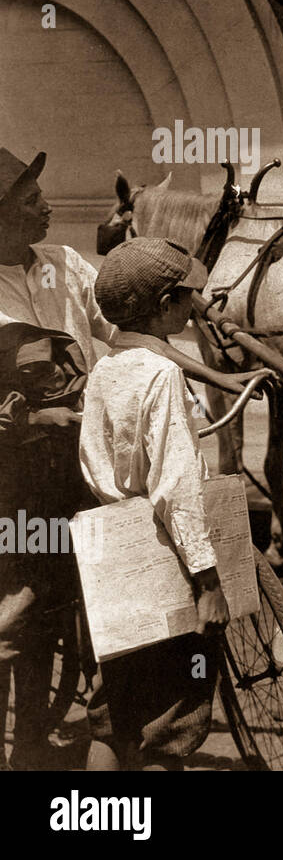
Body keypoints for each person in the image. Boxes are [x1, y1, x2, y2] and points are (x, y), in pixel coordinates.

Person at [78, 238, 230, 771]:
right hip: (165, 561)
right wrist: (208, 584)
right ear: (166, 304)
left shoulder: (104, 369)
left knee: (114, 713)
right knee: (172, 721)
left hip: (113, 562)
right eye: (189, 296)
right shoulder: (162, 374)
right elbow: (177, 489)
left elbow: (96, 460)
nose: (195, 306)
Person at [0, 147, 112, 770]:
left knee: (78, 598)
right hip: (12, 478)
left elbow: (122, 323)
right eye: (30, 199)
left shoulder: (67, 265)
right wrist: (37, 417)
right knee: (17, 614)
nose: (47, 206)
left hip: (79, 464)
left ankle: (46, 741)